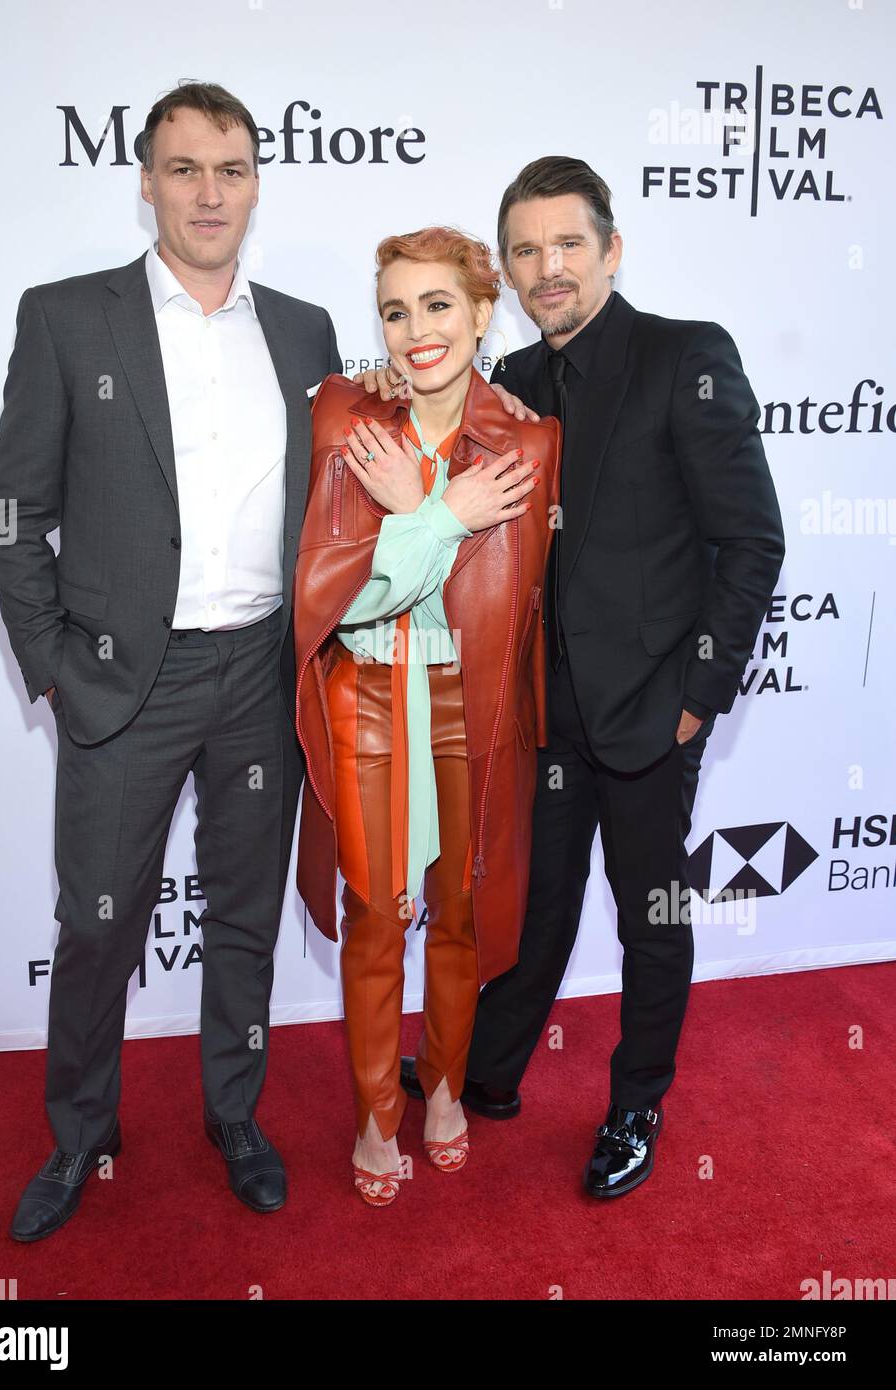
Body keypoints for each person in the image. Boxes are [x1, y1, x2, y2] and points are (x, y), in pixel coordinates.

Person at [362, 157, 786, 1199]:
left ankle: (636, 1103)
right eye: (524, 249)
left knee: (652, 919)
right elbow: (430, 429)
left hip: (653, 709)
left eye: (566, 244)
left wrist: (698, 695)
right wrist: (386, 380)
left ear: (610, 249)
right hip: (542, 712)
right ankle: (490, 1073)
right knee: (530, 900)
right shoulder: (516, 385)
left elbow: (752, 542)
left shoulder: (686, 355)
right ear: (505, 269)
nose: (546, 267)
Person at [0, 81, 342, 1240]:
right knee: (99, 924)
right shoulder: (65, 317)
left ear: (256, 186)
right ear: (144, 181)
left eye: (230, 170)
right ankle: (82, 1132)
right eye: (184, 169)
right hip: (120, 681)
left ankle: (233, 1116)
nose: (208, 192)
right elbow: (11, 511)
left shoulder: (303, 330)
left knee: (243, 916)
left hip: (258, 673)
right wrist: (48, 660)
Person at [293, 227, 560, 1204]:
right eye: (396, 311)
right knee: (374, 920)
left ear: (483, 313)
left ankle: (441, 1090)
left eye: (438, 305)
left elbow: (511, 604)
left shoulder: (531, 440)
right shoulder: (344, 416)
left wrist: (420, 514)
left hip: (475, 704)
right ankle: (374, 1112)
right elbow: (339, 599)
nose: (416, 331)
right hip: (366, 695)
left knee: (459, 917)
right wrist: (439, 513)